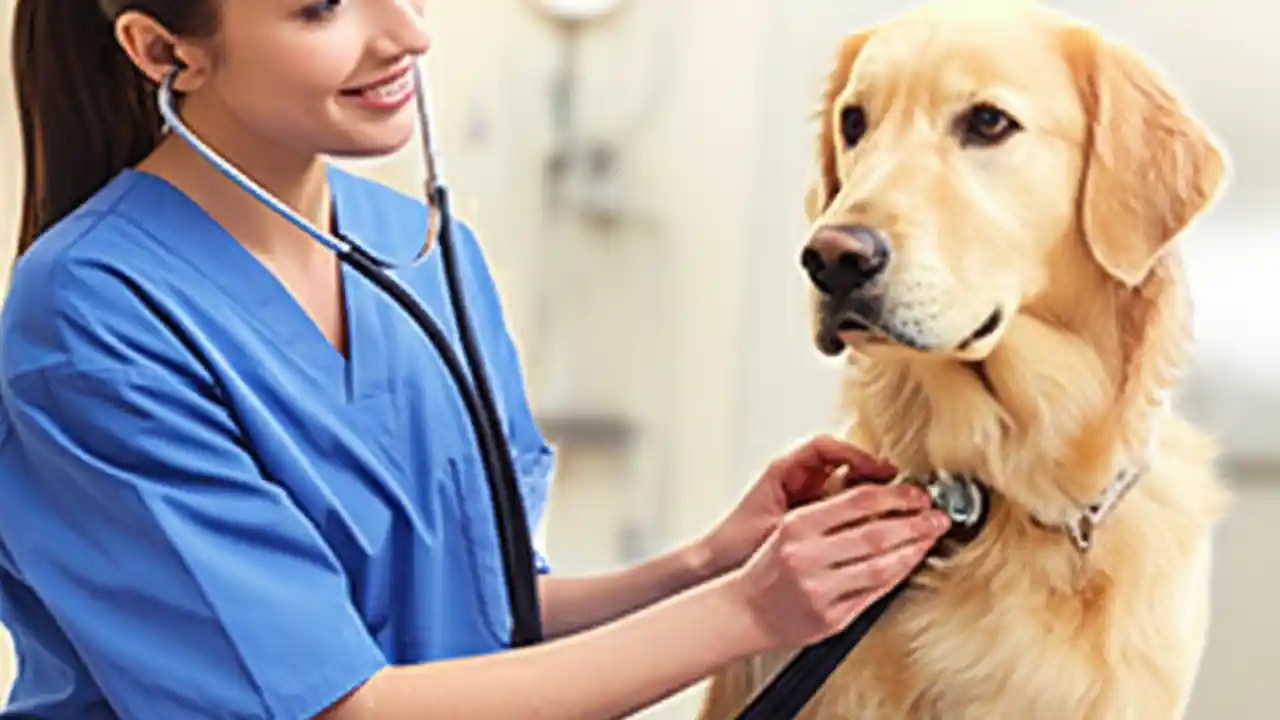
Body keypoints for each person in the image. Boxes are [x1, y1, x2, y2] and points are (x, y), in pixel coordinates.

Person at [0, 1, 951, 718]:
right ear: (165, 50)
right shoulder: (93, 316)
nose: (406, 32)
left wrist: (705, 564)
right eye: (324, 5)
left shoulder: (420, 249)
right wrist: (750, 612)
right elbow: (338, 704)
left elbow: (483, 614)